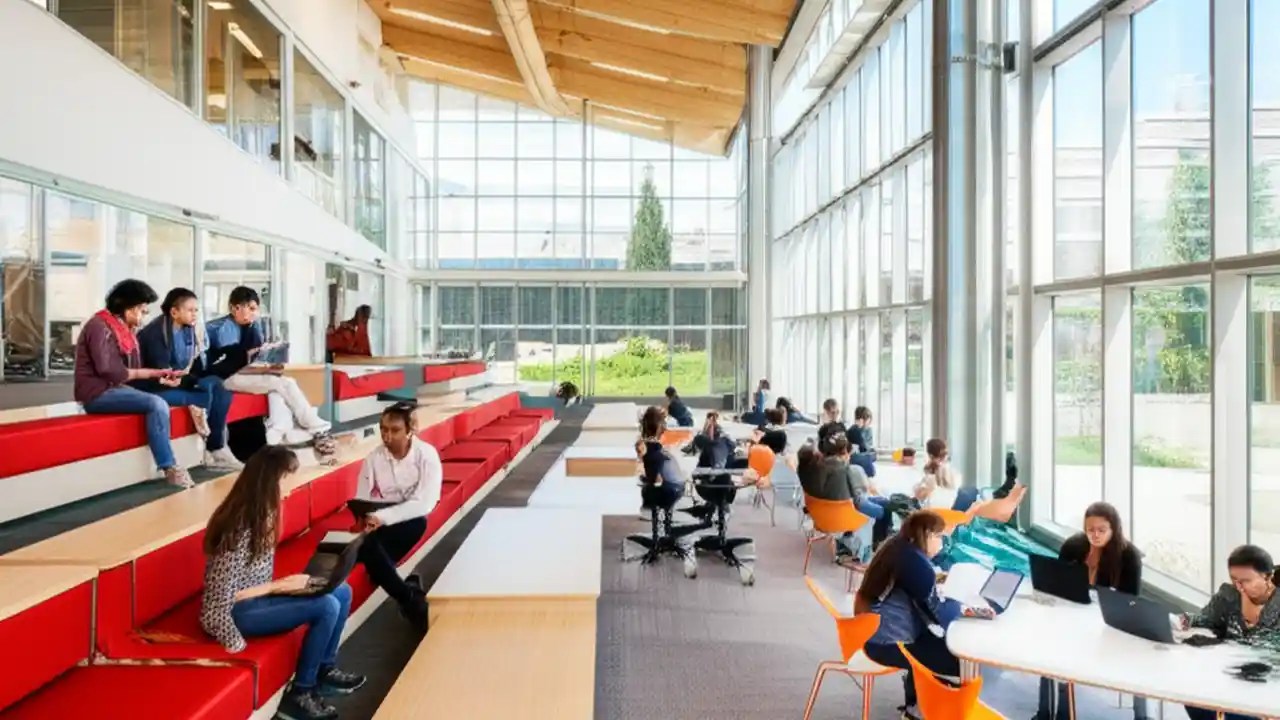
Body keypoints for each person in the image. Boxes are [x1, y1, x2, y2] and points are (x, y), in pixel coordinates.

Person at [200, 446, 365, 720]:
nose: (292, 486)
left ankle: (324, 670)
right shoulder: (237, 527)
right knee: (326, 606)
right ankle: (300, 693)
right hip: (237, 613)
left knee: (341, 591)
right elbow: (219, 603)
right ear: (270, 480)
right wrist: (279, 587)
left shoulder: (265, 514)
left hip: (260, 599)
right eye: (288, 478)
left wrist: (288, 586)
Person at [856, 510, 991, 719]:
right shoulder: (915, 563)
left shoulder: (899, 548)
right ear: (927, 535)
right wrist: (962, 605)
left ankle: (915, 703)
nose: (942, 542)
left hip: (873, 633)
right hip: (886, 643)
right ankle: (922, 711)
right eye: (939, 536)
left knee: (937, 644)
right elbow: (940, 615)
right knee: (960, 662)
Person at [75, 279, 194, 488]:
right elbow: (109, 370)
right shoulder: (99, 327)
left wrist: (159, 374)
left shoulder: (122, 329)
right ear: (129, 309)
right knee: (157, 403)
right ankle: (169, 466)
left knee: (158, 399)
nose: (144, 314)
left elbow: (131, 370)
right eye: (142, 309)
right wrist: (151, 374)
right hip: (97, 393)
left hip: (114, 388)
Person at [1036, 502, 1147, 720]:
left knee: (1138, 656)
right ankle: (1048, 713)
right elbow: (1058, 584)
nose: (1095, 535)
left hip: (1111, 624)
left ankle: (1141, 715)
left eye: (1101, 530)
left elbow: (1130, 601)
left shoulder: (1129, 557)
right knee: (1052, 650)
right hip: (1075, 616)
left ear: (1114, 529)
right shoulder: (1073, 547)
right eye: (1090, 530)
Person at [350, 402, 439, 632]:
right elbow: (362, 497)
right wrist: (366, 518)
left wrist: (382, 517)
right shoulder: (373, 459)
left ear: (410, 430)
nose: (387, 436)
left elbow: (424, 503)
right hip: (378, 523)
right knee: (366, 543)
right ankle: (409, 598)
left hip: (409, 518)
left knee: (416, 524)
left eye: (395, 430)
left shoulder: (427, 455)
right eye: (383, 429)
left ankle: (390, 578)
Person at [206, 286, 332, 447]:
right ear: (234, 308)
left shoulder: (252, 326)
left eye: (255, 309)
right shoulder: (224, 328)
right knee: (285, 383)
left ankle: (276, 434)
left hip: (243, 372)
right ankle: (318, 428)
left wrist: (267, 364)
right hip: (226, 377)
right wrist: (259, 365)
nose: (254, 313)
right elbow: (230, 363)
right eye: (250, 309)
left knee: (277, 389)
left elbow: (254, 355)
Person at [135, 288, 242, 471]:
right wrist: (193, 381)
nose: (195, 314)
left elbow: (193, 365)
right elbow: (165, 374)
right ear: (174, 312)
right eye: (190, 310)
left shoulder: (188, 329)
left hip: (178, 381)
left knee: (220, 387)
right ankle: (209, 449)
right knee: (204, 394)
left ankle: (217, 448)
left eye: (196, 310)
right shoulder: (155, 334)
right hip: (154, 388)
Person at [1179, 545, 1280, 720]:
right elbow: (1207, 618)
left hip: (1265, 689)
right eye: (1235, 580)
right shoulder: (1228, 596)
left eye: (1246, 581)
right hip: (1228, 678)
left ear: (1267, 577)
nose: (1239, 587)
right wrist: (1184, 620)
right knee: (1191, 695)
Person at [796, 438, 874, 563]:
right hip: (843, 520)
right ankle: (861, 553)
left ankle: (846, 544)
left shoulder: (807, 476)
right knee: (871, 515)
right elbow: (859, 498)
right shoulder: (845, 471)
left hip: (820, 520)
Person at [637, 406, 684, 511]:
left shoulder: (649, 450)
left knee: (643, 491)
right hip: (679, 487)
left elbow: (656, 480)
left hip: (667, 490)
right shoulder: (660, 448)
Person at [915, 439, 959, 510]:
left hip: (931, 511)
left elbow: (920, 496)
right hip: (949, 510)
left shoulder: (928, 474)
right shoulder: (953, 471)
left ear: (929, 455)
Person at [847, 406, 877, 478]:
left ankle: (865, 464)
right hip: (855, 455)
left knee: (872, 455)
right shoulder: (853, 430)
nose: (869, 422)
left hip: (865, 453)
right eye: (867, 419)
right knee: (865, 459)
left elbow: (867, 446)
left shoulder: (869, 430)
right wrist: (859, 429)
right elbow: (859, 445)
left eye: (869, 419)